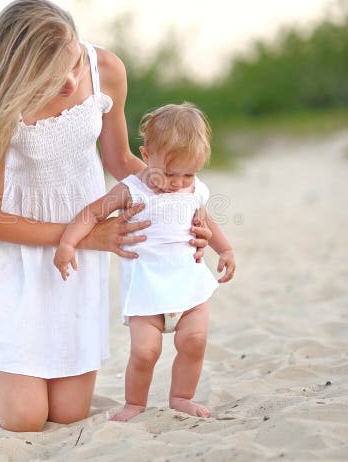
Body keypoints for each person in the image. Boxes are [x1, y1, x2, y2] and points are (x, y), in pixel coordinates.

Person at [0, 0, 212, 432]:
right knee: (26, 419)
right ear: (17, 73)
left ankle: (13, 376)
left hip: (80, 250)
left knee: (67, 413)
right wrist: (86, 236)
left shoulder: (106, 71)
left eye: (72, 63)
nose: (68, 81)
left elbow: (121, 161)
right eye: (48, 76)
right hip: (20, 250)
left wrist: (180, 207)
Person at [53, 102, 236, 421]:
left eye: (188, 174)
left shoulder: (195, 190)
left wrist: (225, 250)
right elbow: (93, 213)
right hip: (146, 291)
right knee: (144, 351)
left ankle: (181, 397)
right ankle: (134, 403)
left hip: (190, 286)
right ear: (147, 155)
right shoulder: (132, 190)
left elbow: (205, 220)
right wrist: (69, 241)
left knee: (195, 342)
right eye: (168, 173)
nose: (178, 182)